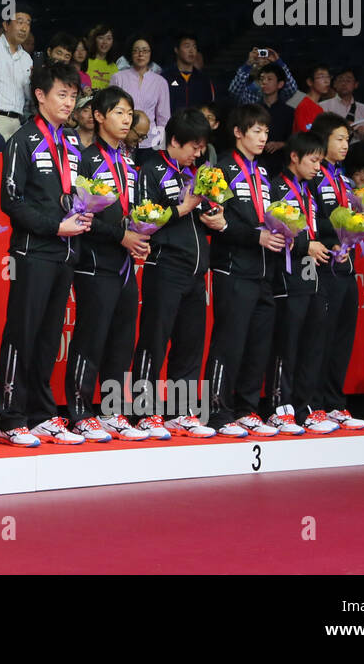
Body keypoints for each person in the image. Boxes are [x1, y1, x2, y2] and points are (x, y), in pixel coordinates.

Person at [0, 63, 92, 447]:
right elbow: (11, 201)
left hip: (65, 254)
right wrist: (55, 226)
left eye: (73, 96)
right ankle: (10, 416)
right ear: (40, 95)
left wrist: (84, 212)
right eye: (62, 95)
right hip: (31, 252)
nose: (69, 103)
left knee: (50, 337)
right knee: (22, 333)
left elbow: (76, 193)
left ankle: (41, 413)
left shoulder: (70, 143)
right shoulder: (22, 140)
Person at [130, 109, 227, 439]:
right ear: (174, 140)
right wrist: (181, 208)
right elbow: (143, 218)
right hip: (165, 266)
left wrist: (214, 214)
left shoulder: (197, 173)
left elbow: (204, 215)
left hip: (197, 271)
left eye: (202, 149)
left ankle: (181, 412)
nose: (198, 154)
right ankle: (144, 413)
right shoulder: (151, 169)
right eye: (194, 147)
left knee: (189, 346)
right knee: (154, 342)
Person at [68, 86, 151, 440]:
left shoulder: (130, 164)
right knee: (91, 337)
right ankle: (80, 411)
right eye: (118, 112)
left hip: (124, 265)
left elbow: (134, 213)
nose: (126, 119)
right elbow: (80, 214)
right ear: (99, 116)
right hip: (94, 262)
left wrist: (142, 235)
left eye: (129, 113)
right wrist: (121, 236)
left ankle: (112, 409)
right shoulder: (86, 160)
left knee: (121, 339)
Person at [204, 104, 285, 438]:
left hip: (265, 270)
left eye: (266, 132)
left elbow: (269, 216)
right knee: (230, 342)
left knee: (258, 343)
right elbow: (219, 222)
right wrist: (257, 235)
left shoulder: (264, 173)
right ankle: (218, 412)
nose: (263, 137)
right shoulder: (220, 170)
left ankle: (248, 409)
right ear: (238, 132)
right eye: (256, 131)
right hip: (233, 268)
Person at [307, 112, 364, 430]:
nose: (346, 144)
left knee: (342, 338)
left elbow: (348, 222)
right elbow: (310, 221)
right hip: (321, 268)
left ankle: (335, 403)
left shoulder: (345, 180)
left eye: (348, 139)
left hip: (347, 268)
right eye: (339, 138)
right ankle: (313, 406)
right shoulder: (314, 176)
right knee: (319, 337)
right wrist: (344, 223)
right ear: (323, 141)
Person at [265, 130, 336, 435]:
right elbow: (275, 234)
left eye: (321, 161)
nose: (318, 167)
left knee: (311, 344)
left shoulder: (309, 191)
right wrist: (306, 245)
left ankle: (305, 407)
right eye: (313, 160)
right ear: (294, 157)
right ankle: (279, 407)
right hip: (286, 278)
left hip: (313, 279)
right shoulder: (277, 188)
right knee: (286, 345)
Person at [111, 36, 170, 148]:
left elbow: (164, 118)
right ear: (130, 53)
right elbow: (111, 111)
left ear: (151, 53)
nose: (140, 54)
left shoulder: (160, 82)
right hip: (122, 139)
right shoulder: (118, 78)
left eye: (145, 50)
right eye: (136, 50)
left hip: (151, 141)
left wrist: (162, 146)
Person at [0, 6, 33, 138]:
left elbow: (28, 97)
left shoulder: (27, 58)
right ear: (6, 25)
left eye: (28, 23)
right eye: (20, 22)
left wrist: (35, 81)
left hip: (17, 122)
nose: (24, 28)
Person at [160, 33, 214, 114]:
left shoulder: (204, 80)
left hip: (197, 125)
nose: (191, 51)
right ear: (176, 50)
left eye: (194, 47)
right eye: (187, 46)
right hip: (172, 125)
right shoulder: (165, 77)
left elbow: (209, 107)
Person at [256, 63, 296, 169]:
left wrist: (280, 144)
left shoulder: (289, 111)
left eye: (269, 79)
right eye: (262, 79)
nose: (264, 82)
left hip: (281, 163)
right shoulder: (254, 110)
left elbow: (294, 140)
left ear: (280, 84)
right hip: (256, 162)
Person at [228, 47, 296, 106]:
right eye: (256, 63)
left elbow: (293, 90)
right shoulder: (246, 91)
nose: (261, 64)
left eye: (266, 62)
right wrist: (248, 64)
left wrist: (279, 62)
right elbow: (234, 91)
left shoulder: (281, 91)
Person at [288, 62, 329, 134]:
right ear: (310, 82)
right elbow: (304, 135)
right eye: (322, 77)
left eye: (328, 77)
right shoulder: (301, 104)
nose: (327, 81)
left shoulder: (319, 108)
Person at [86, 24, 118, 90]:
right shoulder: (85, 61)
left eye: (108, 38)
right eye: (101, 38)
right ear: (94, 40)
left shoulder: (114, 67)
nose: (104, 42)